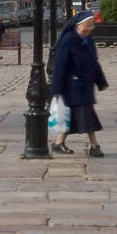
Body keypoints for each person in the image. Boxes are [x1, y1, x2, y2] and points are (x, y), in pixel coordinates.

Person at [49, 9, 108, 157]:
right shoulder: (67, 40)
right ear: (77, 25)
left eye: (92, 25)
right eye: (87, 25)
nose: (89, 29)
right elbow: (59, 66)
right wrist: (56, 88)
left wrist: (101, 81)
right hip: (72, 86)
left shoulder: (88, 40)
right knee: (85, 116)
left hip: (84, 86)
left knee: (75, 117)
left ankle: (59, 143)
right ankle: (94, 145)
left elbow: (94, 63)